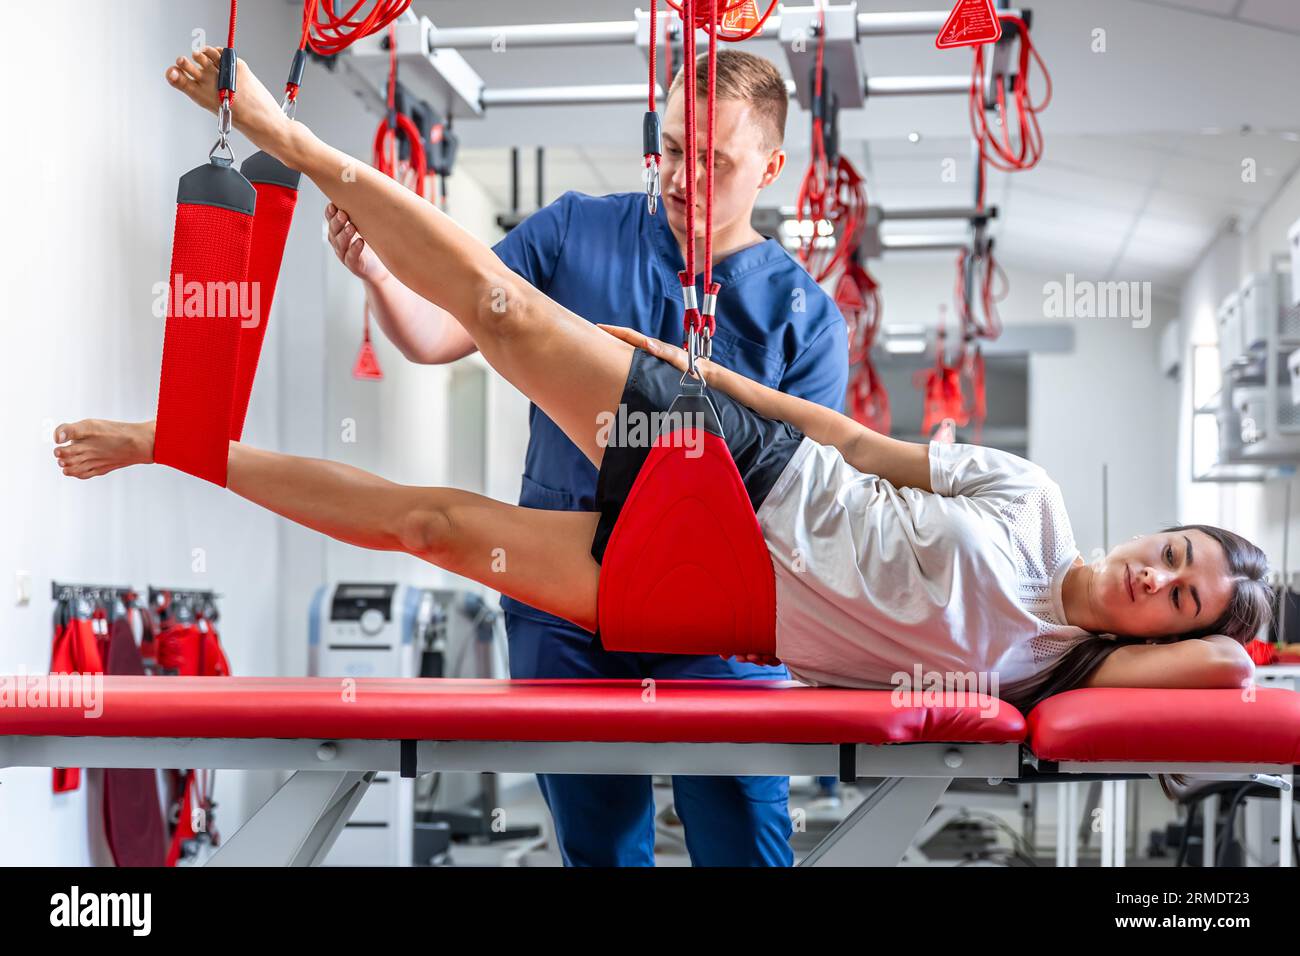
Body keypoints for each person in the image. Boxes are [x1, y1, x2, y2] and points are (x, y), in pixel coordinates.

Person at [56, 46, 1265, 848]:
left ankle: (174, 447)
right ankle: (287, 147)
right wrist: (700, 374)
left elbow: (1228, 675)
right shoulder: (1033, 497)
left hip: (725, 611)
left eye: (1179, 598)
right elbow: (844, 435)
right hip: (747, 470)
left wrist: (1231, 612)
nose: (1157, 577)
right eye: (1174, 553)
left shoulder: (1071, 669)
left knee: (429, 525)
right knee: (505, 312)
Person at [320, 47, 848, 866]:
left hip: (719, 613)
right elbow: (438, 332)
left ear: (772, 168)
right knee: (598, 848)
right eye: (672, 149)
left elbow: (808, 505)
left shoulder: (803, 317)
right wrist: (382, 279)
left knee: (744, 843)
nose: (682, 177)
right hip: (564, 596)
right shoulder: (574, 232)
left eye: (714, 161)